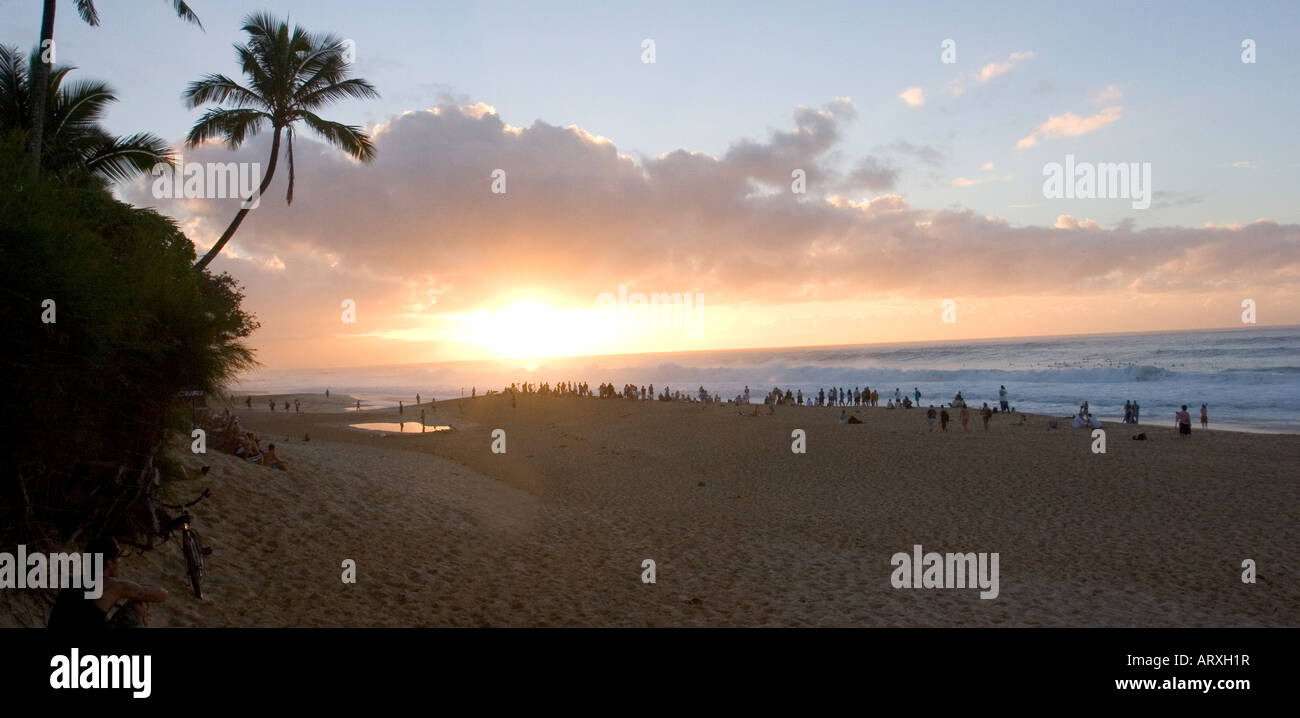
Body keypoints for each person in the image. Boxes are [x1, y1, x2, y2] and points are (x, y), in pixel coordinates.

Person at [48, 537, 167, 628]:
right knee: (137, 605)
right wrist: (134, 588)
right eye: (118, 558)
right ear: (110, 562)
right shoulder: (113, 586)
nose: (119, 562)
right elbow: (162, 594)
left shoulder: (73, 581)